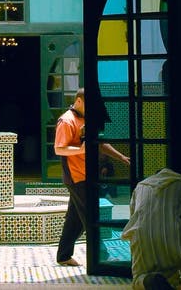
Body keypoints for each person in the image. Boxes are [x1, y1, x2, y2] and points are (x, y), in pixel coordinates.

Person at [54, 87, 130, 266]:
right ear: (79, 101)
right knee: (90, 217)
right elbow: (59, 148)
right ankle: (103, 257)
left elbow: (99, 143)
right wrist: (81, 149)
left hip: (86, 175)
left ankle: (63, 256)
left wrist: (121, 157)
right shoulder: (66, 121)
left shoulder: (86, 118)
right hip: (76, 177)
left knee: (75, 220)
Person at [121, 168, 181, 290]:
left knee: (137, 279)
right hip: (174, 241)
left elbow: (133, 216)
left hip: (142, 238)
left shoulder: (140, 186)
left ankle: (148, 280)